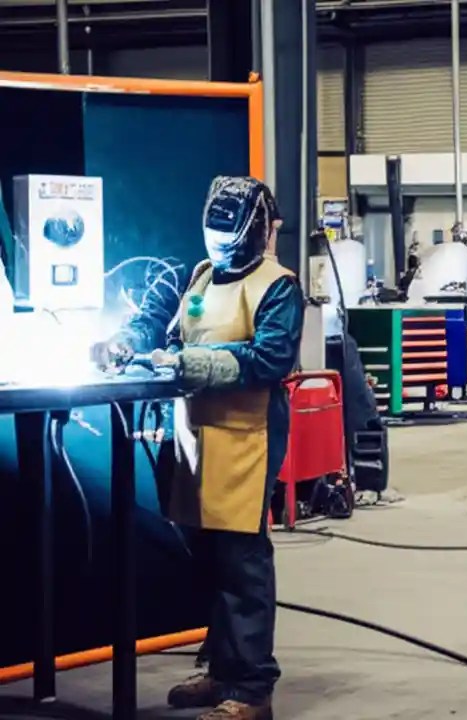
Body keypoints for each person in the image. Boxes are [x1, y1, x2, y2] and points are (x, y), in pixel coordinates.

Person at [93, 176, 303, 720]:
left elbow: (270, 358)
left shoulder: (279, 286)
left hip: (246, 439)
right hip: (194, 439)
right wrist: (131, 343)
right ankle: (221, 672)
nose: (222, 250)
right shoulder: (203, 276)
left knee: (242, 565)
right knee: (208, 561)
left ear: (257, 232)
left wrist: (191, 364)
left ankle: (252, 691)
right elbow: (169, 333)